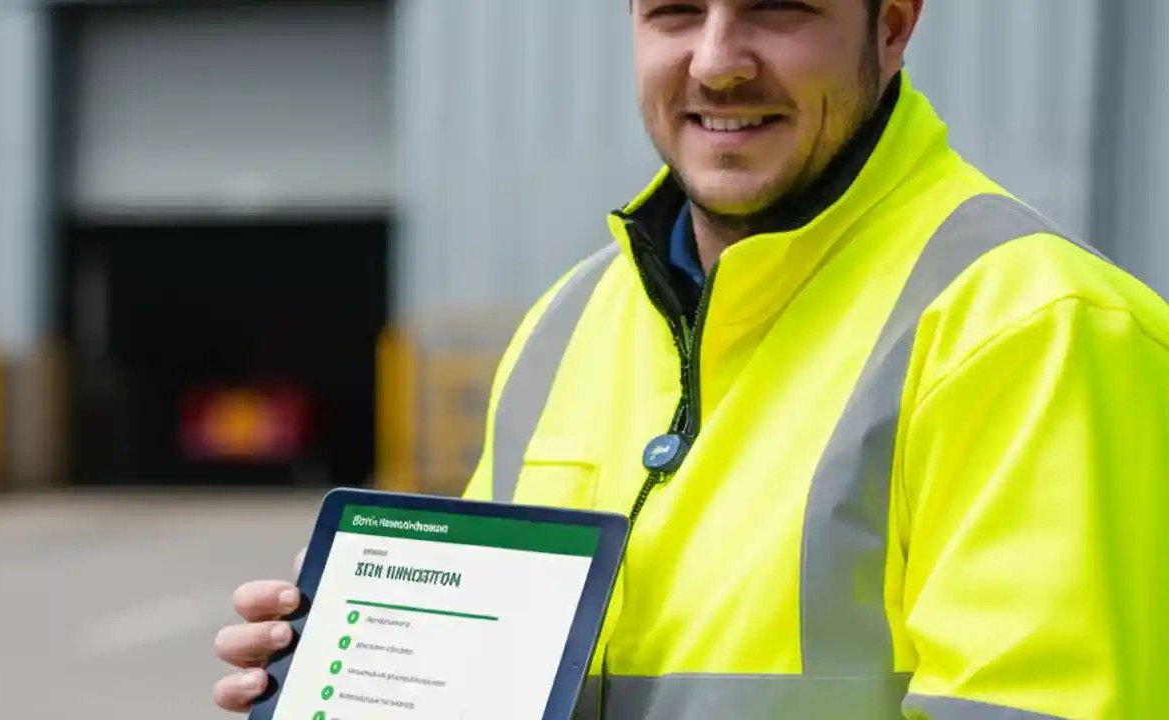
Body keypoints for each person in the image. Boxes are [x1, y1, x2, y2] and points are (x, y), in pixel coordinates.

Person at [213, 1, 1169, 717]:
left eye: (776, 10)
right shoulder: (564, 327)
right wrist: (359, 659)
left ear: (894, 23)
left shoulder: (1037, 329)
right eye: (675, 11)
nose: (716, 63)